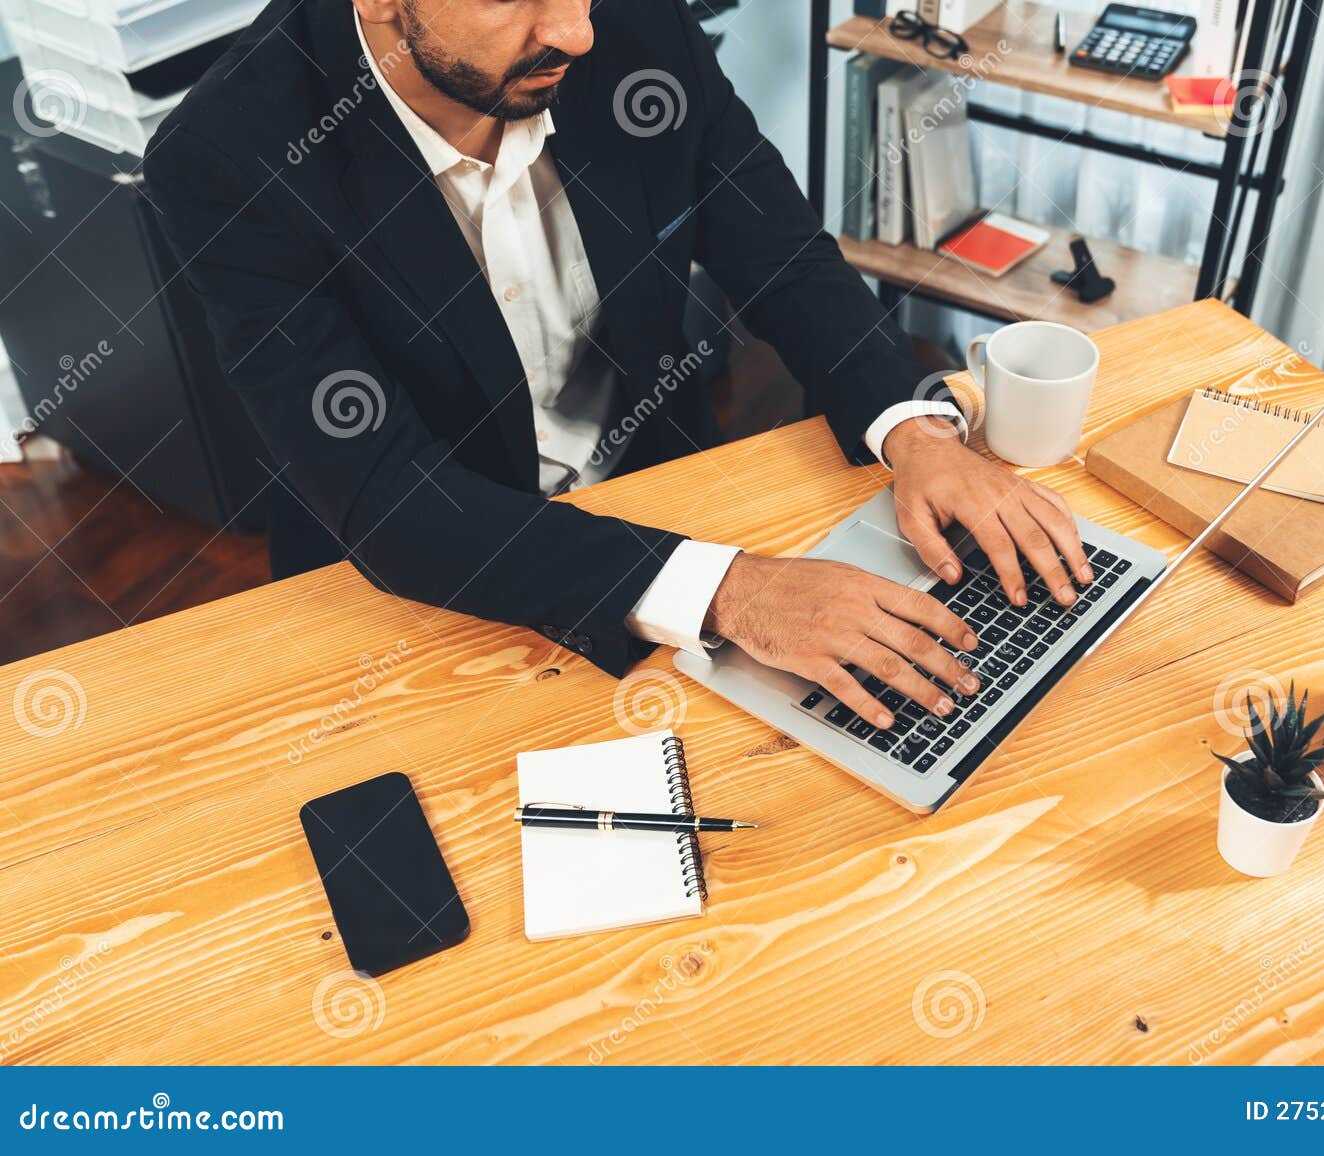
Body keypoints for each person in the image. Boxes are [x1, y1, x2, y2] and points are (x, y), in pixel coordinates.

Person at [145, 0, 1093, 730]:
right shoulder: (228, 157)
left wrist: (917, 432)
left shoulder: (629, 24)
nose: (576, 33)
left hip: (664, 502)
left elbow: (781, 255)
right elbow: (389, 498)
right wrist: (736, 592)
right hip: (429, 588)